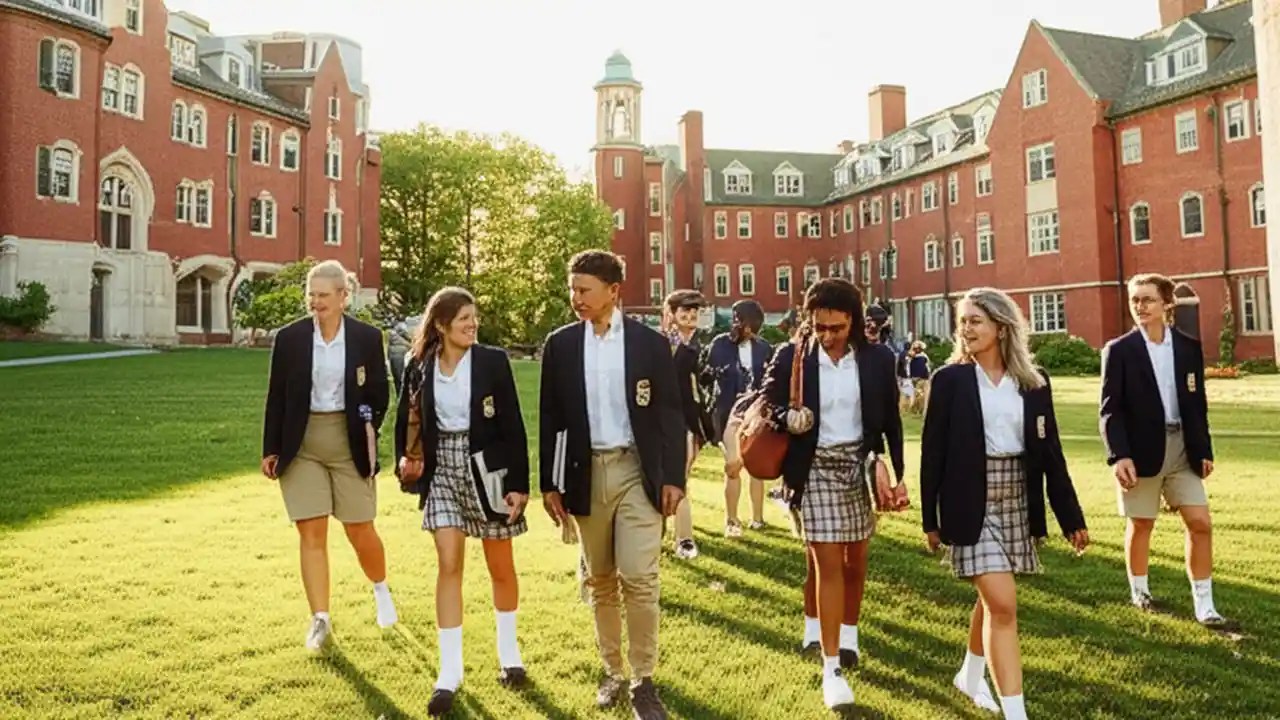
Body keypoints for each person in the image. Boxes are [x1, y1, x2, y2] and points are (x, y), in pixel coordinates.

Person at [920, 287, 1088, 720]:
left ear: (1001, 326)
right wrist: (929, 519)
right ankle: (1017, 715)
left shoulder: (1033, 382)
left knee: (992, 601)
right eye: (963, 321)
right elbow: (933, 454)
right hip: (967, 500)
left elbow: (1051, 453)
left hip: (1017, 498)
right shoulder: (949, 380)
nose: (967, 328)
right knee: (1004, 605)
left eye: (976, 320)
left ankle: (970, 676)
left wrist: (1070, 517)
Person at [538, 250, 684, 720]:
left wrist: (674, 479)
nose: (575, 298)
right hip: (583, 475)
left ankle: (643, 678)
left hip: (636, 473)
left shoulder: (649, 345)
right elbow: (551, 419)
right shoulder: (560, 346)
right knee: (600, 580)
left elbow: (670, 415)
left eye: (584, 289)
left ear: (613, 291)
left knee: (639, 577)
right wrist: (550, 483)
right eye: (573, 289)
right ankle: (613, 672)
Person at [760, 278, 905, 712]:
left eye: (836, 328)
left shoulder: (878, 359)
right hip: (814, 466)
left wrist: (894, 471)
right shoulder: (793, 355)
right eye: (819, 326)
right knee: (826, 562)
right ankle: (831, 669)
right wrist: (790, 417)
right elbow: (766, 403)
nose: (826, 336)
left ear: (855, 322)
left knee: (855, 560)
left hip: (858, 465)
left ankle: (848, 637)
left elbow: (889, 420)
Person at [393, 287, 531, 716]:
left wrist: (519, 484)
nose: (472, 325)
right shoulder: (418, 365)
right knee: (449, 565)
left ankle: (509, 655)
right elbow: (405, 417)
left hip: (487, 466)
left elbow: (513, 423)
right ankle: (448, 673)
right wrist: (405, 458)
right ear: (440, 324)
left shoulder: (492, 362)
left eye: (474, 317)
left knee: (500, 565)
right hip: (442, 471)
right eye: (463, 319)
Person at [260, 259, 398, 652]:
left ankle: (381, 588)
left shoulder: (368, 338)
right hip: (300, 444)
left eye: (323, 295)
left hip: (348, 440)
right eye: (311, 294)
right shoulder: (290, 338)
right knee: (312, 530)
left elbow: (380, 394)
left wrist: (368, 430)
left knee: (359, 529)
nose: (315, 302)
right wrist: (271, 447)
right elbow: (277, 397)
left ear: (343, 296)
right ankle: (320, 618)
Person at [1100, 273, 1234, 629]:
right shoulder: (1119, 350)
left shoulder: (1188, 348)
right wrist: (1119, 456)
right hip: (1140, 451)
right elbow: (1110, 410)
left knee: (1200, 523)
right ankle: (1140, 592)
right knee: (1142, 523)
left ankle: (1205, 606)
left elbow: (1196, 405)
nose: (1140, 306)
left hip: (1181, 450)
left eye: (1147, 299)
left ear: (1166, 304)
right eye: (1135, 300)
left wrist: (1203, 449)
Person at [706, 300, 773, 536]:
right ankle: (732, 520)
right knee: (733, 465)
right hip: (729, 413)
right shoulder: (719, 345)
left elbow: (768, 381)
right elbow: (708, 376)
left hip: (754, 413)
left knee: (757, 466)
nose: (743, 329)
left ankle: (758, 518)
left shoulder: (764, 348)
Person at [662, 289, 712, 560]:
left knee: (679, 477)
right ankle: (680, 538)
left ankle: (679, 536)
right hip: (663, 420)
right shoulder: (663, 345)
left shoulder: (698, 346)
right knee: (669, 478)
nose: (691, 316)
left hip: (688, 420)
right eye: (685, 311)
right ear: (671, 314)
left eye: (695, 312)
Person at [387, 313, 422, 396]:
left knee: (399, 380)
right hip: (401, 354)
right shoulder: (402, 328)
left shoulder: (395, 331)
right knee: (403, 379)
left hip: (397, 354)